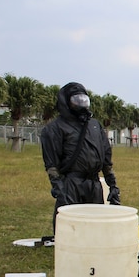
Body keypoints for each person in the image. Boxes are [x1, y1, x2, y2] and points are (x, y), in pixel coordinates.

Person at [39, 83, 120, 234]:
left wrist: (113, 185)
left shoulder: (94, 125)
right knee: (69, 225)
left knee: (95, 226)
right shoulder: (56, 128)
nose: (81, 103)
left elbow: (106, 158)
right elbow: (51, 163)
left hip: (94, 183)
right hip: (71, 183)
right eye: (76, 100)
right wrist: (58, 186)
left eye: (83, 99)